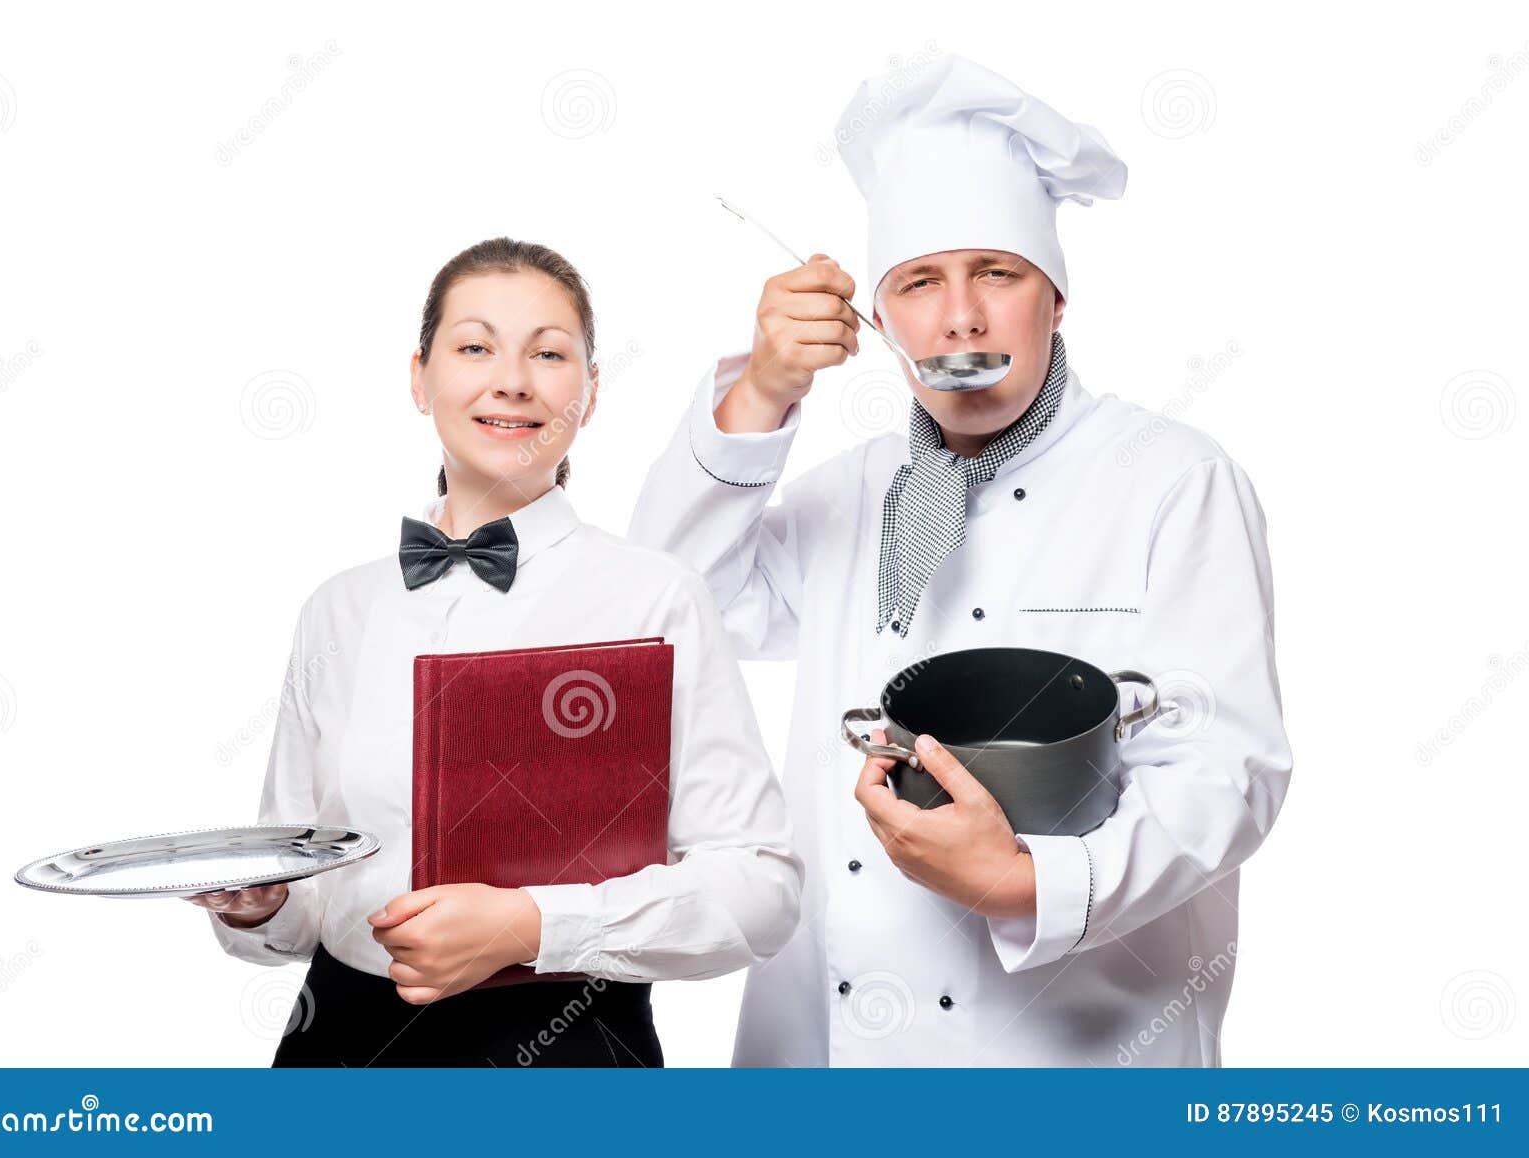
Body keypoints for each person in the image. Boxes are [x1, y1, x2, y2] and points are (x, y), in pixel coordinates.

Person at [628, 56, 1292, 1066]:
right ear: (881, 323)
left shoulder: (1171, 482)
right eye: (918, 283)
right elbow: (672, 612)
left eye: (997, 273)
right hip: (826, 1054)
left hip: (1073, 1059)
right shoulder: (848, 492)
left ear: (1055, 300)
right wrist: (758, 395)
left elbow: (1224, 772)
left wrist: (1029, 884)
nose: (961, 318)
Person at [189, 237, 801, 1067]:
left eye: (548, 354)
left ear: (589, 395)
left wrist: (533, 925)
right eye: (474, 346)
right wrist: (258, 905)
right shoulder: (338, 607)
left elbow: (759, 890)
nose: (511, 379)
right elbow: (309, 903)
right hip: (338, 1044)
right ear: (419, 377)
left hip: (571, 1047)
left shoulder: (656, 596)